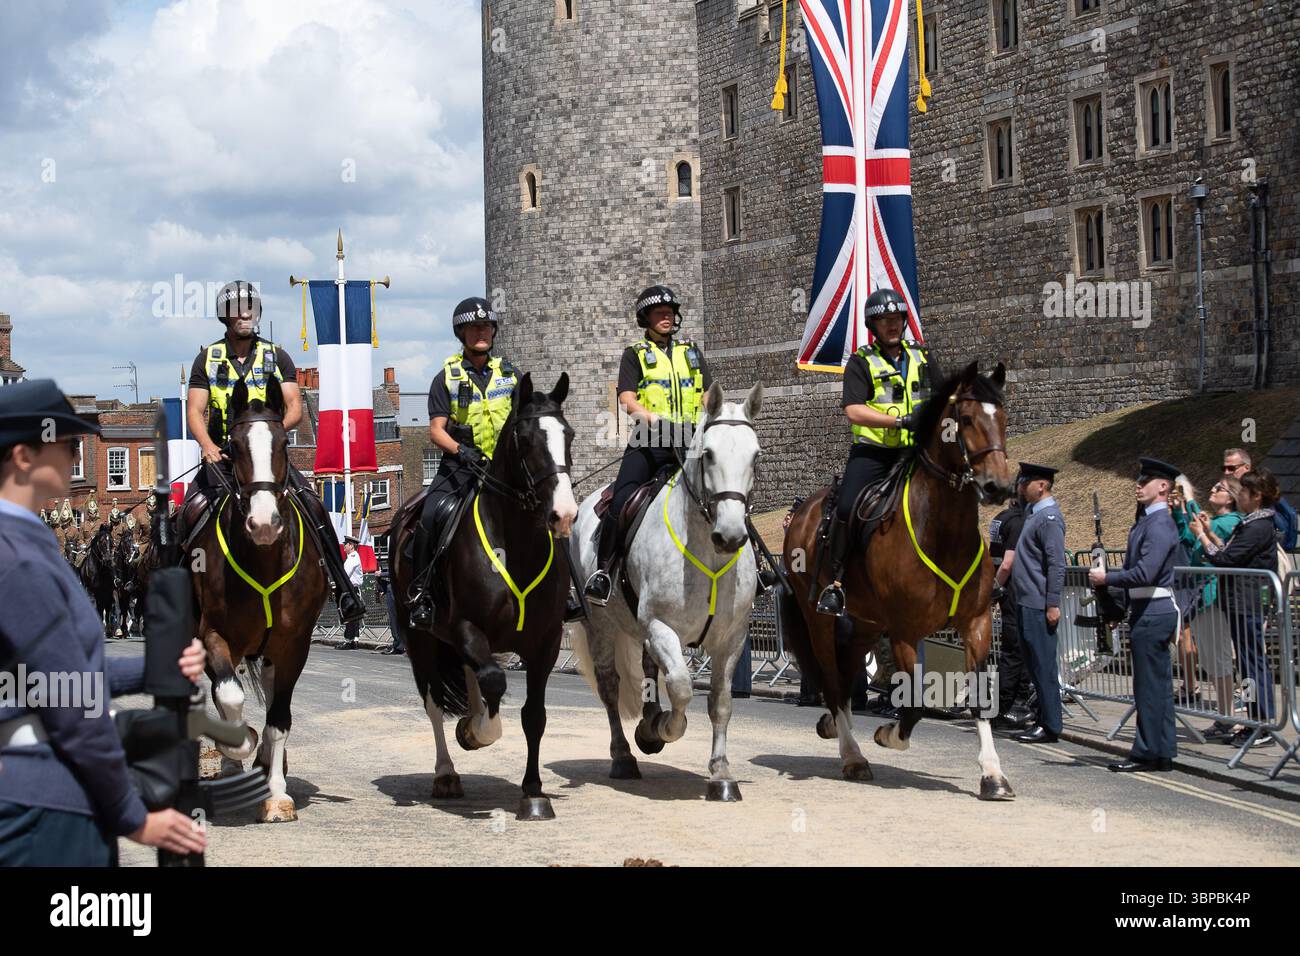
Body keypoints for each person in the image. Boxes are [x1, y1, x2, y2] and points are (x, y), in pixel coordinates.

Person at [0, 379, 209, 865]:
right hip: (45, 803)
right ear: (23, 457)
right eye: (68, 445)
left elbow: (49, 674)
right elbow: (70, 699)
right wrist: (133, 815)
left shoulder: (23, 544)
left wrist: (157, 666)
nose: (76, 457)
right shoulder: (20, 557)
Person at [185, 280, 363, 623]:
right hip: (223, 458)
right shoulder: (207, 358)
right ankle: (176, 601)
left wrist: (273, 434)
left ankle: (344, 590)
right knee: (186, 516)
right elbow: (195, 411)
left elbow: (294, 405)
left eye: (250, 307)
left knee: (312, 504)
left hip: (267, 458)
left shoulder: (277, 356)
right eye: (238, 309)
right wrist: (207, 446)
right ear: (225, 316)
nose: (245, 314)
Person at [584, 285, 713, 605]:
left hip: (690, 441)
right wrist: (653, 419)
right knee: (621, 500)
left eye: (670, 313)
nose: (667, 318)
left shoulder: (691, 351)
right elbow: (627, 398)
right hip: (650, 442)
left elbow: (708, 392)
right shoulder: (635, 354)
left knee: (726, 493)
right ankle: (603, 573)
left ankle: (751, 571)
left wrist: (713, 414)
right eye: (660, 313)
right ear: (646, 318)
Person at [816, 288, 937, 616]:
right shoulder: (861, 361)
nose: (892, 325)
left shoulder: (922, 356)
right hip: (874, 454)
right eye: (884, 320)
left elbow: (941, 399)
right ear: (873, 325)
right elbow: (854, 411)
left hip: (916, 453)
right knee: (846, 506)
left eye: (896, 318)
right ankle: (837, 583)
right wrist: (899, 422)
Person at [407, 297, 525, 627]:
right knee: (430, 515)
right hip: (462, 467)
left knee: (548, 510)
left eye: (486, 326)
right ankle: (422, 594)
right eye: (474, 327)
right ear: (462, 333)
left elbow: (525, 421)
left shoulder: (510, 375)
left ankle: (564, 592)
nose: (481, 332)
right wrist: (461, 450)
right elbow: (436, 431)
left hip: (505, 471)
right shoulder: (446, 377)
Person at [1090, 457, 1183, 772]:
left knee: (1147, 686)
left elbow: (1145, 573)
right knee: (1157, 686)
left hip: (1154, 611)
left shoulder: (1158, 524)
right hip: (1146, 608)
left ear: (1163, 487)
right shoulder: (1147, 522)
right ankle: (1162, 751)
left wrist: (1107, 579)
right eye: (1138, 480)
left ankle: (1145, 752)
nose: (1138, 485)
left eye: (1145, 481)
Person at [1195, 469, 1278, 749]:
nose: (1239, 495)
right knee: (1246, 665)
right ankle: (1254, 721)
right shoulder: (1252, 523)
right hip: (1239, 601)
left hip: (1248, 602)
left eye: (1243, 491)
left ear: (1256, 496)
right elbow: (1231, 551)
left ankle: (1262, 722)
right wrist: (1209, 533)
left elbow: (1226, 559)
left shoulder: (1259, 526)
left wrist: (1202, 538)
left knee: (1252, 665)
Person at [1174, 476, 1244, 733]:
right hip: (1202, 596)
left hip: (1214, 595)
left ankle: (1230, 717)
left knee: (1218, 658)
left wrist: (1190, 496)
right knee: (1210, 660)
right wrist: (1178, 509)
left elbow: (1207, 536)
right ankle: (1224, 716)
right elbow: (1189, 537)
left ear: (1232, 497)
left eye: (1219, 489)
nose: (1213, 491)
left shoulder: (1231, 521)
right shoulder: (1211, 521)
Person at [1008, 463, 1065, 744]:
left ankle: (1050, 724)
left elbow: (1056, 563)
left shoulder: (1049, 518)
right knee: (1033, 665)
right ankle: (1041, 718)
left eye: (1025, 482)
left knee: (1043, 666)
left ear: (1041, 485)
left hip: (1038, 603)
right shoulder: (1033, 514)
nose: (1020, 487)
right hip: (1025, 600)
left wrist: (1052, 603)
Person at [989, 470, 1035, 730]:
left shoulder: (999, 518)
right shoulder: (1018, 521)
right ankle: (1009, 706)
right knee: (1015, 652)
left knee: (1011, 650)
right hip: (1013, 590)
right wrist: (997, 586)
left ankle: (1007, 704)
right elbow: (1008, 562)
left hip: (1004, 592)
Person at [1223, 448, 1297, 549]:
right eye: (1224, 468)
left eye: (1231, 468)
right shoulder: (1228, 492)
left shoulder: (1261, 493)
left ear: (1247, 467)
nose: (1226, 473)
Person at [338, 536, 364, 650]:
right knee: (355, 616)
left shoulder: (352, 558)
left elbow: (345, 575)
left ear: (351, 545)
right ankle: (355, 640)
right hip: (354, 589)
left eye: (346, 544)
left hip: (351, 589)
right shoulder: (354, 557)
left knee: (349, 615)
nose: (344, 546)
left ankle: (348, 640)